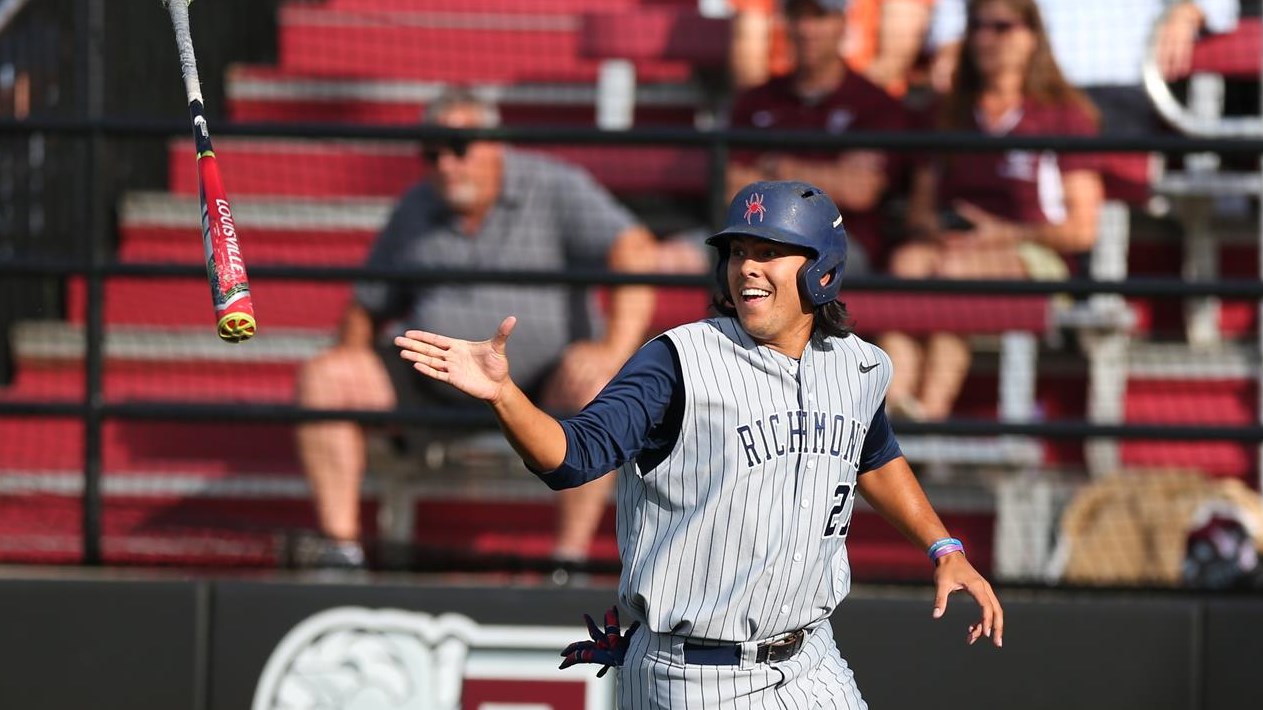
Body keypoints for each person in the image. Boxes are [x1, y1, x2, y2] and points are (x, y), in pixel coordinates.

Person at [395, 180, 1004, 707]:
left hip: (813, 660)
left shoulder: (858, 366)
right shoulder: (676, 362)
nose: (747, 268)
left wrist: (942, 546)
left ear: (822, 268)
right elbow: (570, 457)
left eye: (770, 252)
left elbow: (873, 456)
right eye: (739, 251)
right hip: (692, 676)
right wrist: (505, 395)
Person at [293, 88, 659, 569]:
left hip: (540, 385)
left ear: (495, 144)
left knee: (598, 382)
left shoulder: (553, 185)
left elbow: (635, 250)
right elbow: (365, 306)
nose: (446, 164)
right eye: (432, 153)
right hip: (434, 379)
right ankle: (339, 552)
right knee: (325, 378)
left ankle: (565, 566)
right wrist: (352, 365)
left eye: (460, 147)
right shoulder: (415, 208)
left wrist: (612, 350)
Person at [880, 0, 1105, 422]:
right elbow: (919, 212)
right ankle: (894, 408)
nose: (986, 39)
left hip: (1036, 256)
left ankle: (927, 418)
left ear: (1032, 36)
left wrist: (1003, 233)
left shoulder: (1064, 116)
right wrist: (940, 230)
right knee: (907, 262)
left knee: (957, 274)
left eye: (1002, 27)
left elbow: (1082, 229)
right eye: (978, 27)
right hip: (952, 250)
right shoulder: (948, 113)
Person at [726, 0, 912, 275]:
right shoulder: (755, 101)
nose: (807, 29)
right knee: (667, 259)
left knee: (788, 271)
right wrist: (829, 177)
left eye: (819, 16)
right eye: (798, 16)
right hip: (748, 238)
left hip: (837, 244)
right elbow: (730, 186)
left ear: (841, 22)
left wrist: (774, 167)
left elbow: (860, 190)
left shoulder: (874, 103)